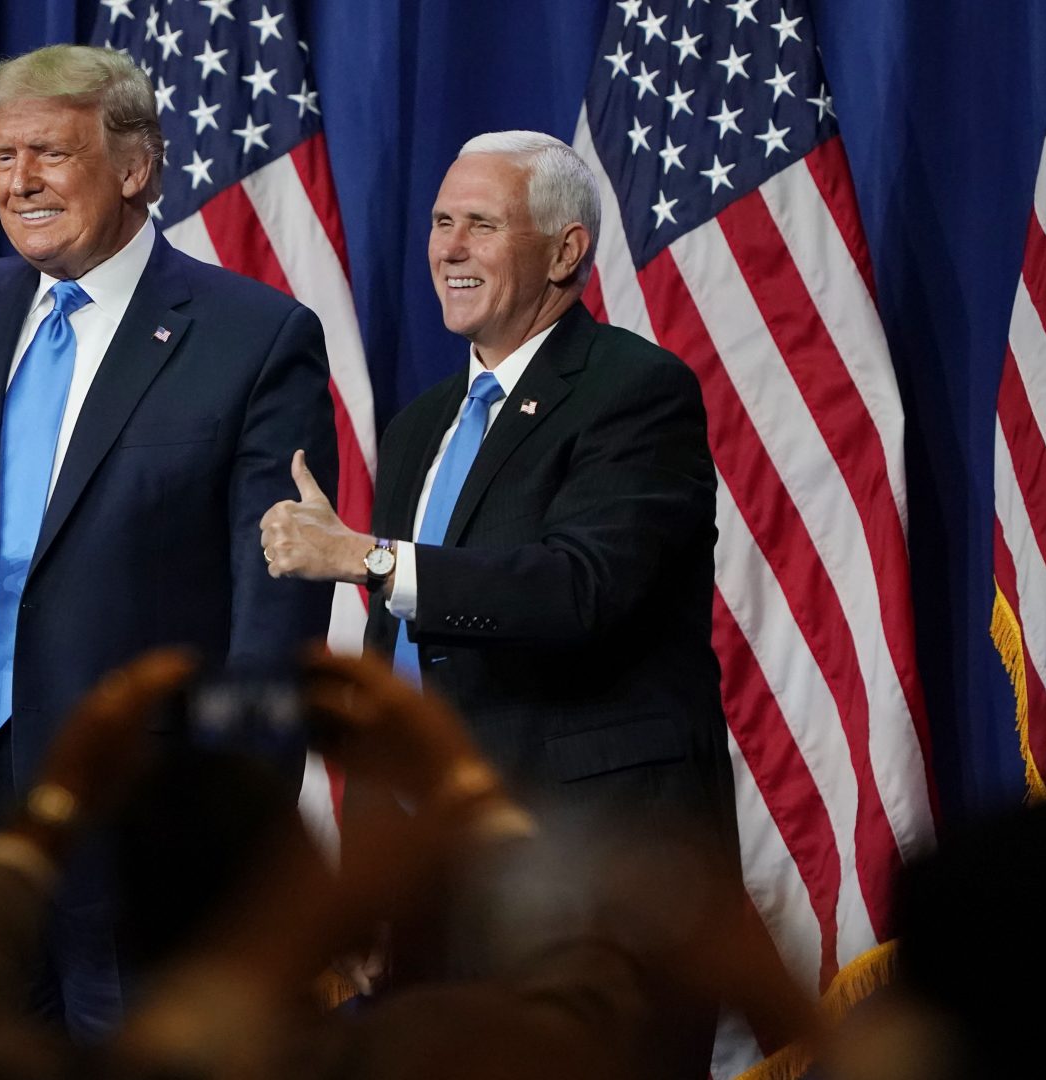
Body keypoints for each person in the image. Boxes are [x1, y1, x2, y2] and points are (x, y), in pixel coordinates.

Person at [0, 44, 338, 1036]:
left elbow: (273, 619)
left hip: (147, 824)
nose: (19, 181)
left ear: (134, 167)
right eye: (4, 158)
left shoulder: (254, 337)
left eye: (50, 154)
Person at [258, 130, 740, 1076]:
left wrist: (369, 557)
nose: (448, 248)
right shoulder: (420, 427)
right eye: (441, 223)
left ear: (566, 251)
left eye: (482, 224)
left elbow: (580, 588)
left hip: (593, 884)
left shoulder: (635, 393)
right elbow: (394, 667)